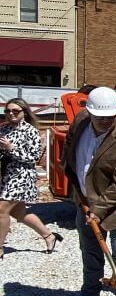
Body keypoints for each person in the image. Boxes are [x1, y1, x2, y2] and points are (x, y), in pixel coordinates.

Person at [59, 87, 116, 296]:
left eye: (110, 117)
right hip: (85, 201)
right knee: (90, 252)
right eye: (101, 117)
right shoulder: (82, 120)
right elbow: (71, 149)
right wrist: (73, 182)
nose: (106, 121)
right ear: (90, 113)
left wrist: (98, 210)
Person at [0, 98, 62, 258]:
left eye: (15, 111)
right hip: (6, 176)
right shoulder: (4, 129)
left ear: (24, 112)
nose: (11, 114)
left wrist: (12, 148)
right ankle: (49, 236)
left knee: (1, 210)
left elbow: (33, 157)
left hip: (21, 176)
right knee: (19, 213)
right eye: (8, 111)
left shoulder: (31, 131)